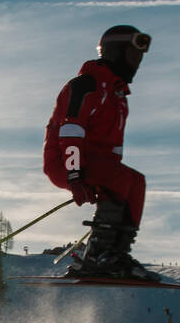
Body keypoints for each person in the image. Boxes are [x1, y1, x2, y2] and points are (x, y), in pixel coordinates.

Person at [43, 25, 159, 281]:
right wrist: (74, 176)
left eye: (139, 58)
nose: (136, 64)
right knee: (123, 179)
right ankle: (99, 256)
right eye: (133, 56)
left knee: (135, 182)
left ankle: (116, 253)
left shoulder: (118, 98)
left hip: (94, 165)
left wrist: (107, 187)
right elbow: (70, 131)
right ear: (116, 52)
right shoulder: (87, 85)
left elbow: (113, 152)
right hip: (66, 160)